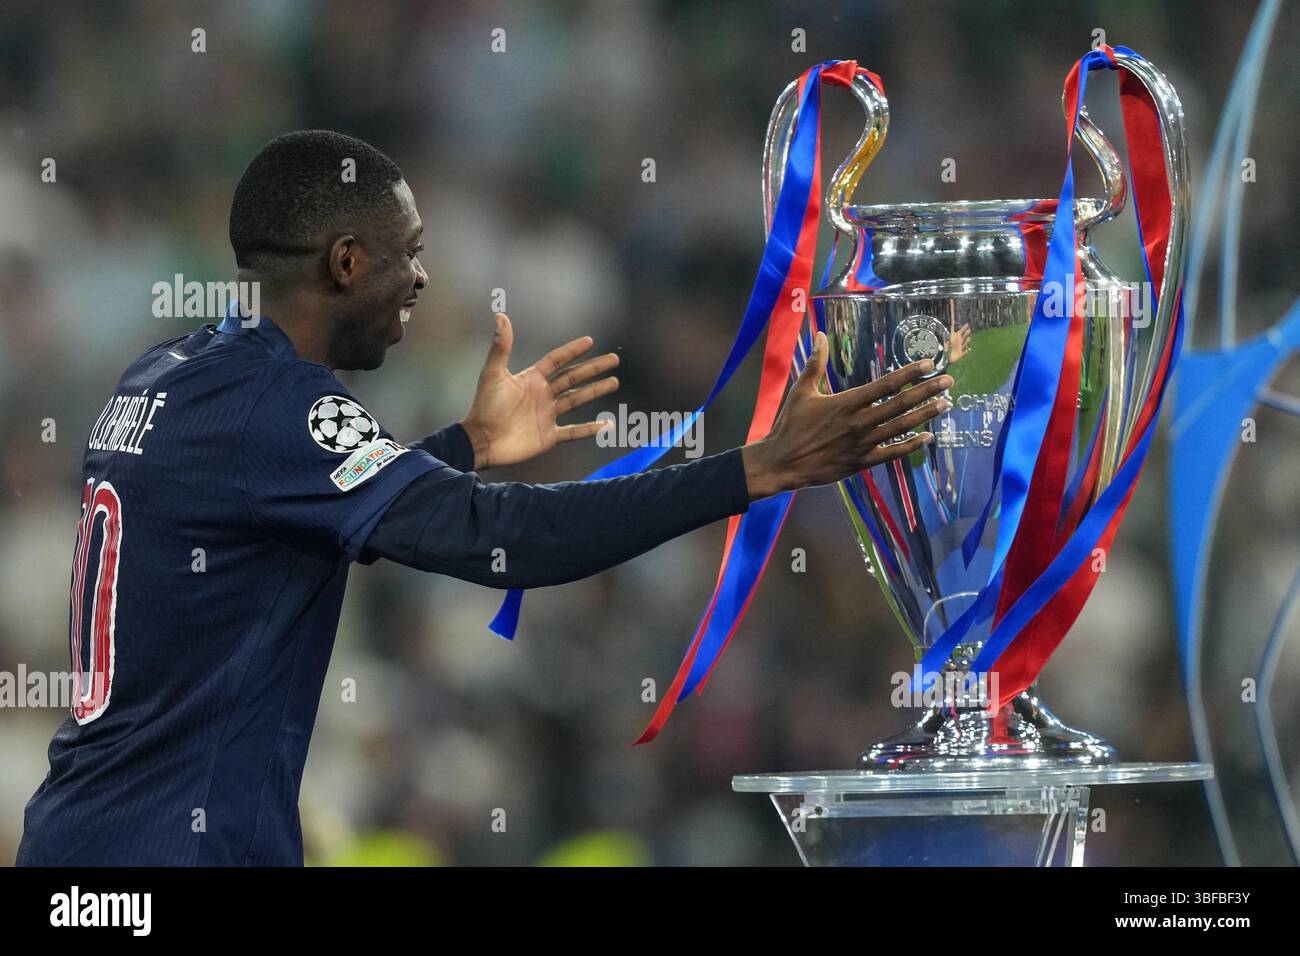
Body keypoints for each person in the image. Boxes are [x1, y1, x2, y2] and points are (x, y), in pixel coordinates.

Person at [17, 130, 952, 866]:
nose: (422, 279)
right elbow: (509, 541)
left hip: (85, 839)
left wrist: (464, 447)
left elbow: (281, 508)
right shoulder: (279, 409)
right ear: (346, 262)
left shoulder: (172, 374)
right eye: (409, 254)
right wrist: (759, 467)